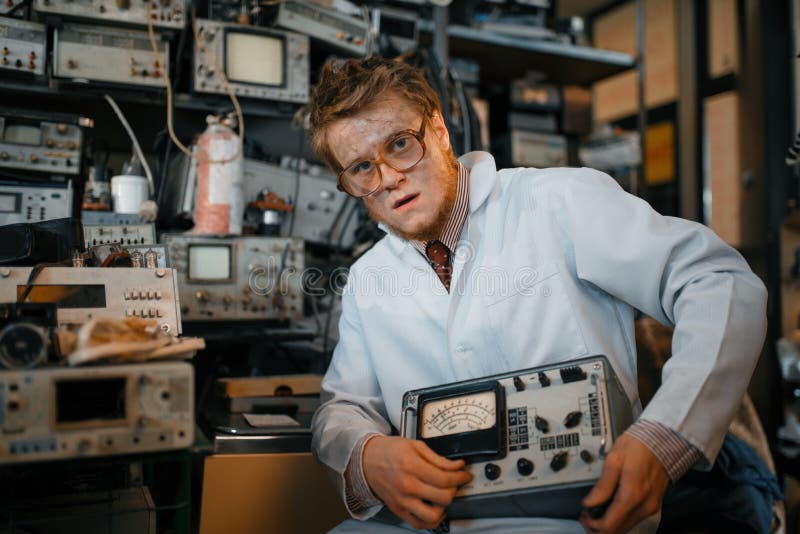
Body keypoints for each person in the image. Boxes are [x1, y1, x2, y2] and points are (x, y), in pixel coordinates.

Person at [308, 56, 768, 534]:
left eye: (400, 145)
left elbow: (716, 281)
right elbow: (342, 408)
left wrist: (665, 436)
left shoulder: (559, 203)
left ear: (439, 128)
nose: (387, 178)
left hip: (576, 521)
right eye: (362, 167)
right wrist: (366, 456)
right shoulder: (367, 279)